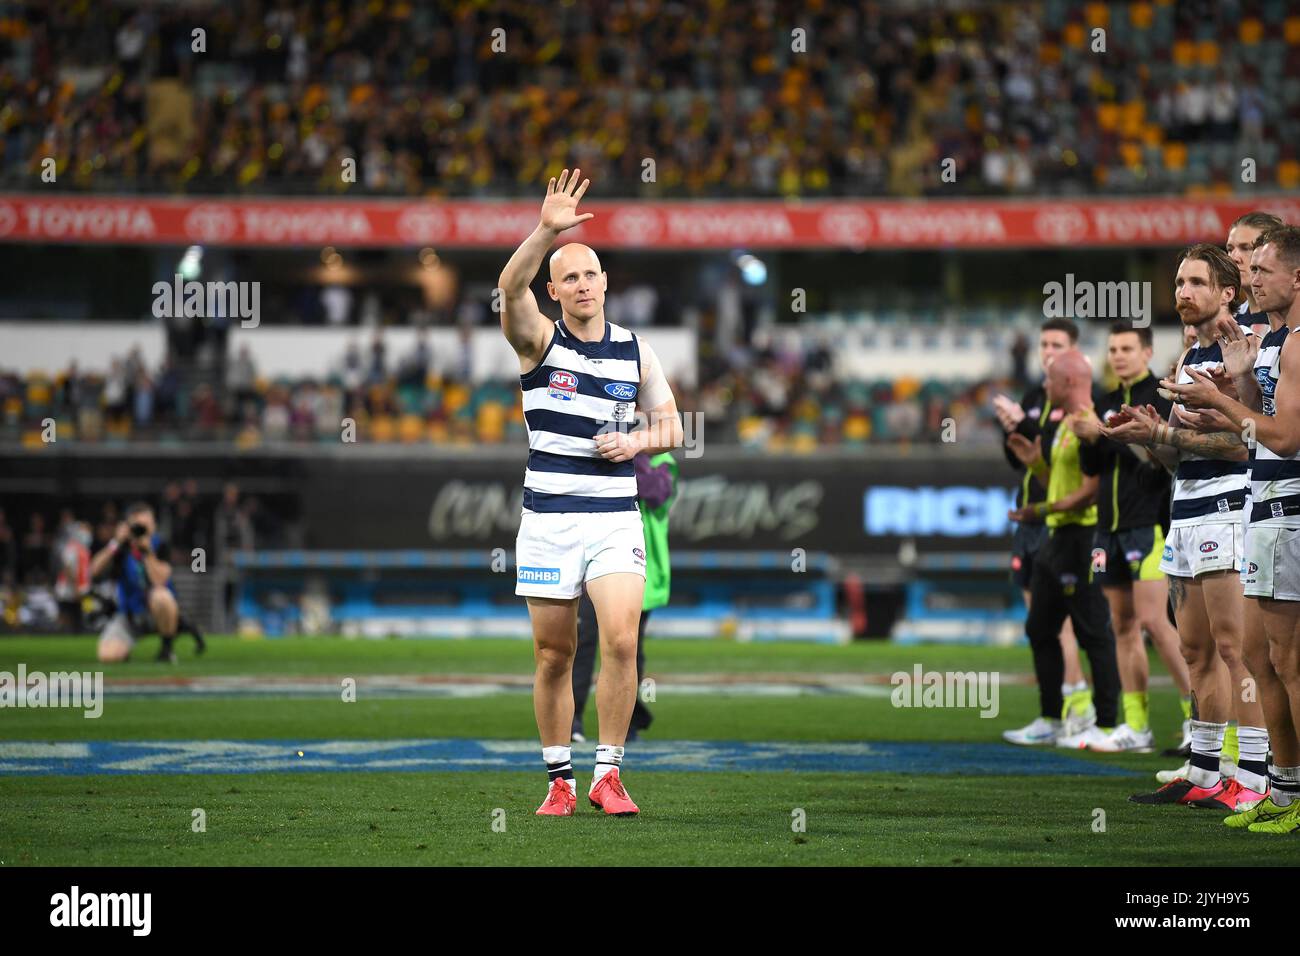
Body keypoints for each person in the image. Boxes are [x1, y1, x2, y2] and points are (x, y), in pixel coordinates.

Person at [497, 168, 683, 817]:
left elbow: (673, 425)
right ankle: (559, 781)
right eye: (567, 276)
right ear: (552, 290)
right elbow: (506, 286)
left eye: (590, 273)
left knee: (623, 642)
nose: (581, 284)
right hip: (548, 518)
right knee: (554, 653)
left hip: (613, 519)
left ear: (606, 282)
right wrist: (545, 230)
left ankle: (608, 774)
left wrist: (637, 444)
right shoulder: (537, 343)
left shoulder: (636, 350)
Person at [1102, 243, 1268, 807]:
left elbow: (1248, 443)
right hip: (1187, 507)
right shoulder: (1188, 357)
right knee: (1195, 648)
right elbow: (1179, 457)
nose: (1182, 291)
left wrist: (1168, 436)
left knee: (1236, 648)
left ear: (1228, 292)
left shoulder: (1241, 353)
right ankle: (1202, 771)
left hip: (1229, 507)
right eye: (1178, 281)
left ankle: (1252, 776)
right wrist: (1152, 437)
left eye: (1196, 281)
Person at [1161, 225, 1300, 831]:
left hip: (1272, 503)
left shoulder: (1289, 342)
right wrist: (1239, 383)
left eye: (1260, 266)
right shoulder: (1266, 342)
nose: (1251, 277)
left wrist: (1217, 405)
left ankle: (1269, 782)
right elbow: (1260, 420)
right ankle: (1275, 789)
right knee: (1253, 654)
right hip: (1252, 506)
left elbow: (1276, 437)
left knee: (1279, 659)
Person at [1073, 322, 1192, 753]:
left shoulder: (1158, 399)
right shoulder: (1101, 403)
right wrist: (1089, 439)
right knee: (1122, 626)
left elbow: (1162, 465)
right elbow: (1092, 471)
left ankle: (1194, 720)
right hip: (1108, 527)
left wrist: (1116, 435)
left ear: (1146, 352)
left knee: (1157, 624)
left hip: (1148, 523)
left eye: (1127, 348)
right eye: (1113, 349)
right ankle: (1136, 726)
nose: (1118, 355)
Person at [1005, 349, 1122, 748]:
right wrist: (1035, 465)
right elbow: (1062, 481)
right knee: (1039, 627)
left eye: (1051, 379)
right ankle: (1052, 717)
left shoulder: (1092, 425)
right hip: (1057, 538)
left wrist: (1039, 509)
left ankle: (1106, 723)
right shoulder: (1063, 426)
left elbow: (1091, 493)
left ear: (1070, 382)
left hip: (1083, 538)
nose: (1045, 386)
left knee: (1094, 633)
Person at [995, 319, 1092, 745]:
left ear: (1074, 352)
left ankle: (1079, 707)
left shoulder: (1078, 404)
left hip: (1060, 520)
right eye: (1044, 344)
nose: (1048, 351)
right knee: (1039, 622)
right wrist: (1014, 429)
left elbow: (1062, 465)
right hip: (1031, 517)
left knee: (1062, 623)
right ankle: (1054, 711)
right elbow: (1021, 461)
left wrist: (1026, 426)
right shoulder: (1035, 396)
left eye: (1058, 344)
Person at [572, 451, 678, 743]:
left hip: (641, 570)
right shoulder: (605, 454)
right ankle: (573, 721)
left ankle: (626, 723)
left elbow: (653, 493)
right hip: (598, 564)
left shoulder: (664, 463)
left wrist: (634, 452)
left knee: (630, 649)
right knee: (584, 642)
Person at [88, 501, 205, 663]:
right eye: (138, 526)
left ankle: (166, 649)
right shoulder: (121, 548)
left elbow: (160, 580)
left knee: (162, 596)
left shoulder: (160, 545)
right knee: (108, 656)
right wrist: (115, 542)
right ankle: (124, 649)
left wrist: (147, 552)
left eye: (147, 525)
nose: (143, 531)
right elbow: (93, 571)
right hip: (130, 615)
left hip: (157, 614)